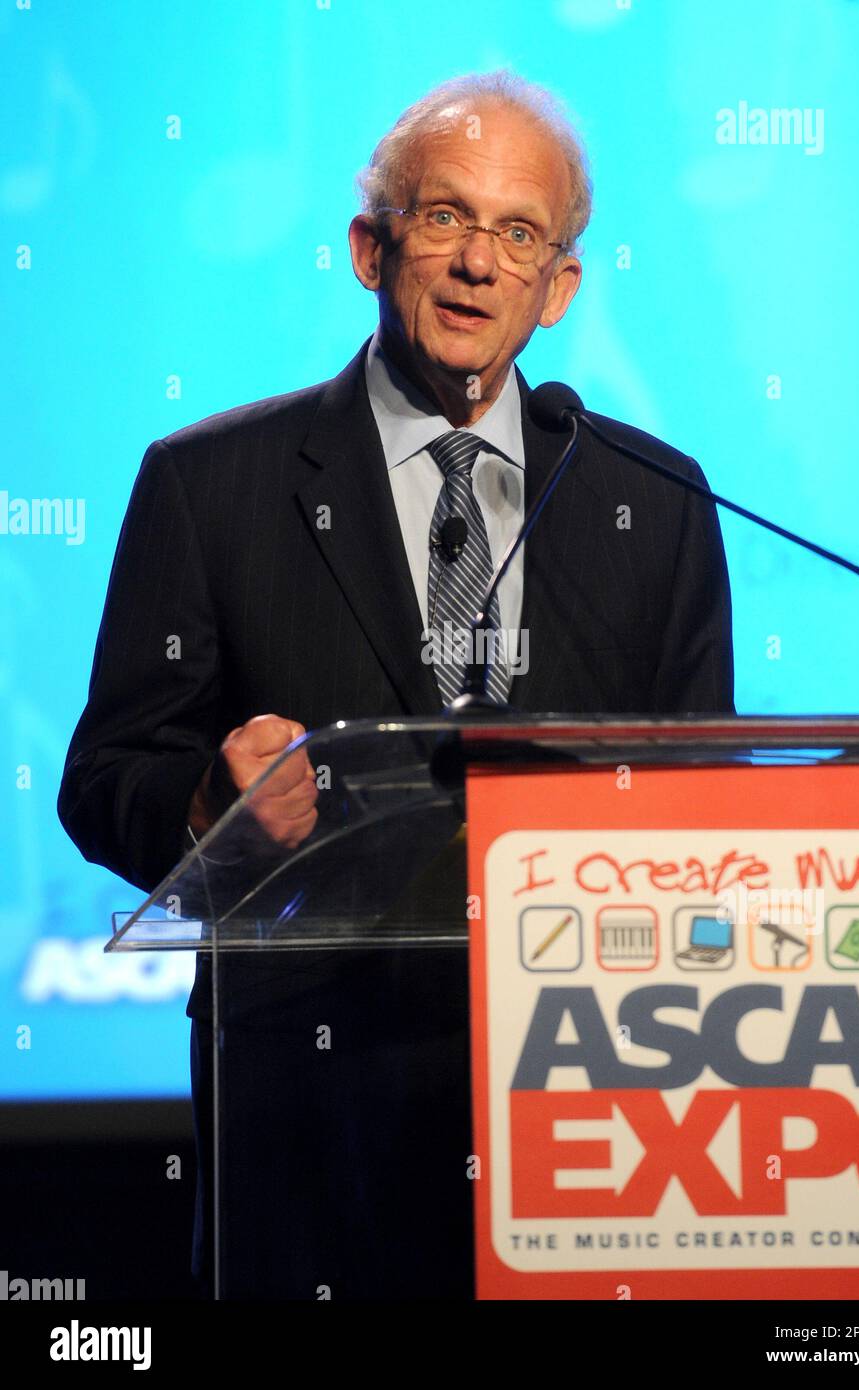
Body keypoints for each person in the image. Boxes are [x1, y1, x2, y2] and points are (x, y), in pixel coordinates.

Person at [57, 71, 734, 1300]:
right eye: (445, 219)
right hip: (313, 1122)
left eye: (519, 234)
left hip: (590, 1116)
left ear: (559, 287)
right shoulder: (211, 484)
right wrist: (210, 809)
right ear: (371, 248)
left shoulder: (661, 505)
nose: (480, 262)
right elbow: (103, 779)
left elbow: (706, 807)